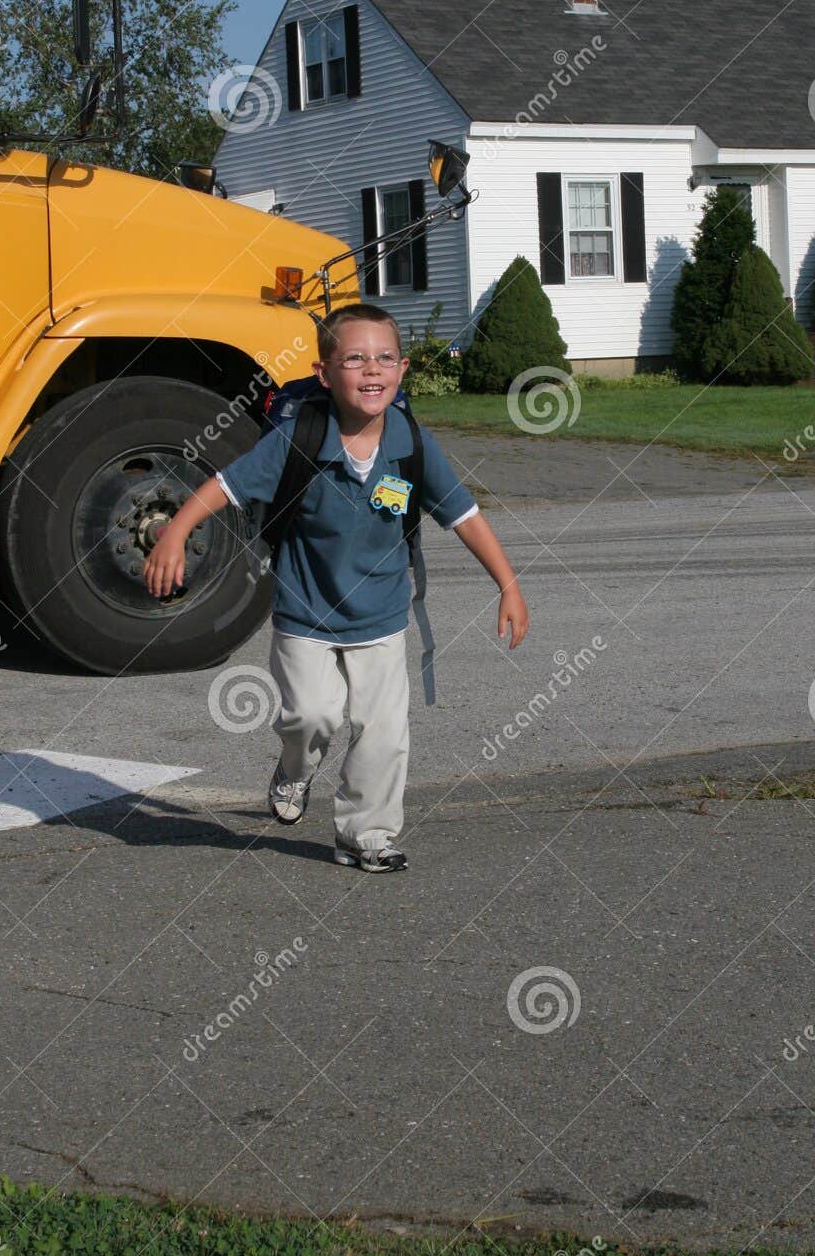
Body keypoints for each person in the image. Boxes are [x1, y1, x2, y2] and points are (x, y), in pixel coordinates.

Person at [142, 303, 529, 874]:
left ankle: (366, 834)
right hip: (305, 614)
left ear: (401, 372)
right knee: (312, 718)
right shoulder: (299, 437)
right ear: (325, 373)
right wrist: (175, 531)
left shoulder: (412, 443)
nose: (371, 370)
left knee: (384, 733)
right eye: (354, 359)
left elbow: (465, 515)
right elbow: (225, 485)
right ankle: (295, 770)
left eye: (384, 358)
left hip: (382, 618)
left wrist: (509, 583)